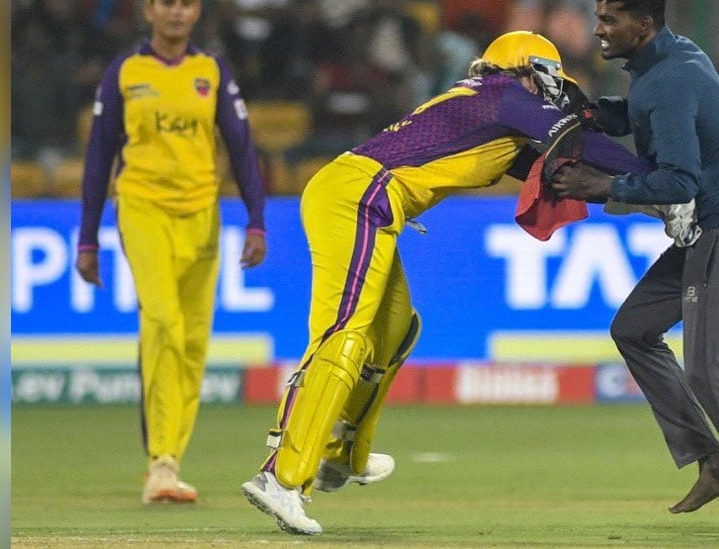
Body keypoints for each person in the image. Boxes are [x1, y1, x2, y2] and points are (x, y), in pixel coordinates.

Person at [240, 31, 646, 535]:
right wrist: (663, 175)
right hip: (358, 197)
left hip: (361, 197)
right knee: (344, 333)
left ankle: (340, 454)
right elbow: (579, 143)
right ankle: (281, 477)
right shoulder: (505, 96)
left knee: (394, 332)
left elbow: (569, 166)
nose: (554, 91)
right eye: (549, 79)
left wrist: (651, 187)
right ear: (525, 68)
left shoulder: (494, 111)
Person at [551, 0, 719, 537]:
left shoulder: (666, 82)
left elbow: (680, 181)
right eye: (598, 18)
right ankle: (712, 461)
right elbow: (643, 117)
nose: (599, 31)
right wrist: (589, 110)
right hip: (713, 228)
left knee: (712, 375)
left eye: (609, 20)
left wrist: (603, 187)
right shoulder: (671, 59)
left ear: (642, 25)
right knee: (634, 328)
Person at [75, 0, 268, 504]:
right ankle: (159, 458)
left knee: (191, 341)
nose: (176, 10)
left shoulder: (212, 71)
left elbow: (242, 147)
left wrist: (256, 220)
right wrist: (87, 239)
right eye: (167, 1)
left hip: (201, 213)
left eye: (186, 1)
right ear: (149, 9)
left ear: (197, 10)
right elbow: (98, 158)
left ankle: (170, 462)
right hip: (141, 207)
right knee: (160, 320)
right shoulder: (125, 72)